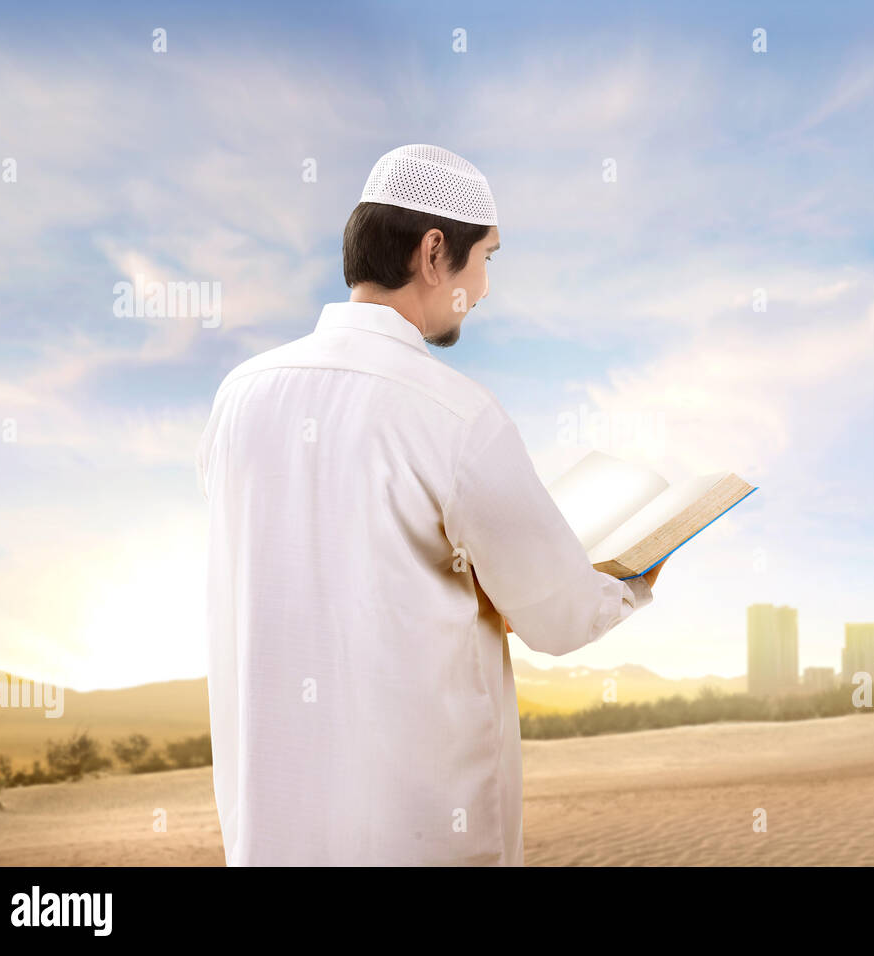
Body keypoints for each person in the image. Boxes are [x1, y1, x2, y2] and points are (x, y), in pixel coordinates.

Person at [196, 144, 664, 866]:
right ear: (434, 251)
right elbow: (558, 613)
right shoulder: (455, 415)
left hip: (269, 835)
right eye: (487, 259)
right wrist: (630, 580)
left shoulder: (239, 396)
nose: (484, 288)